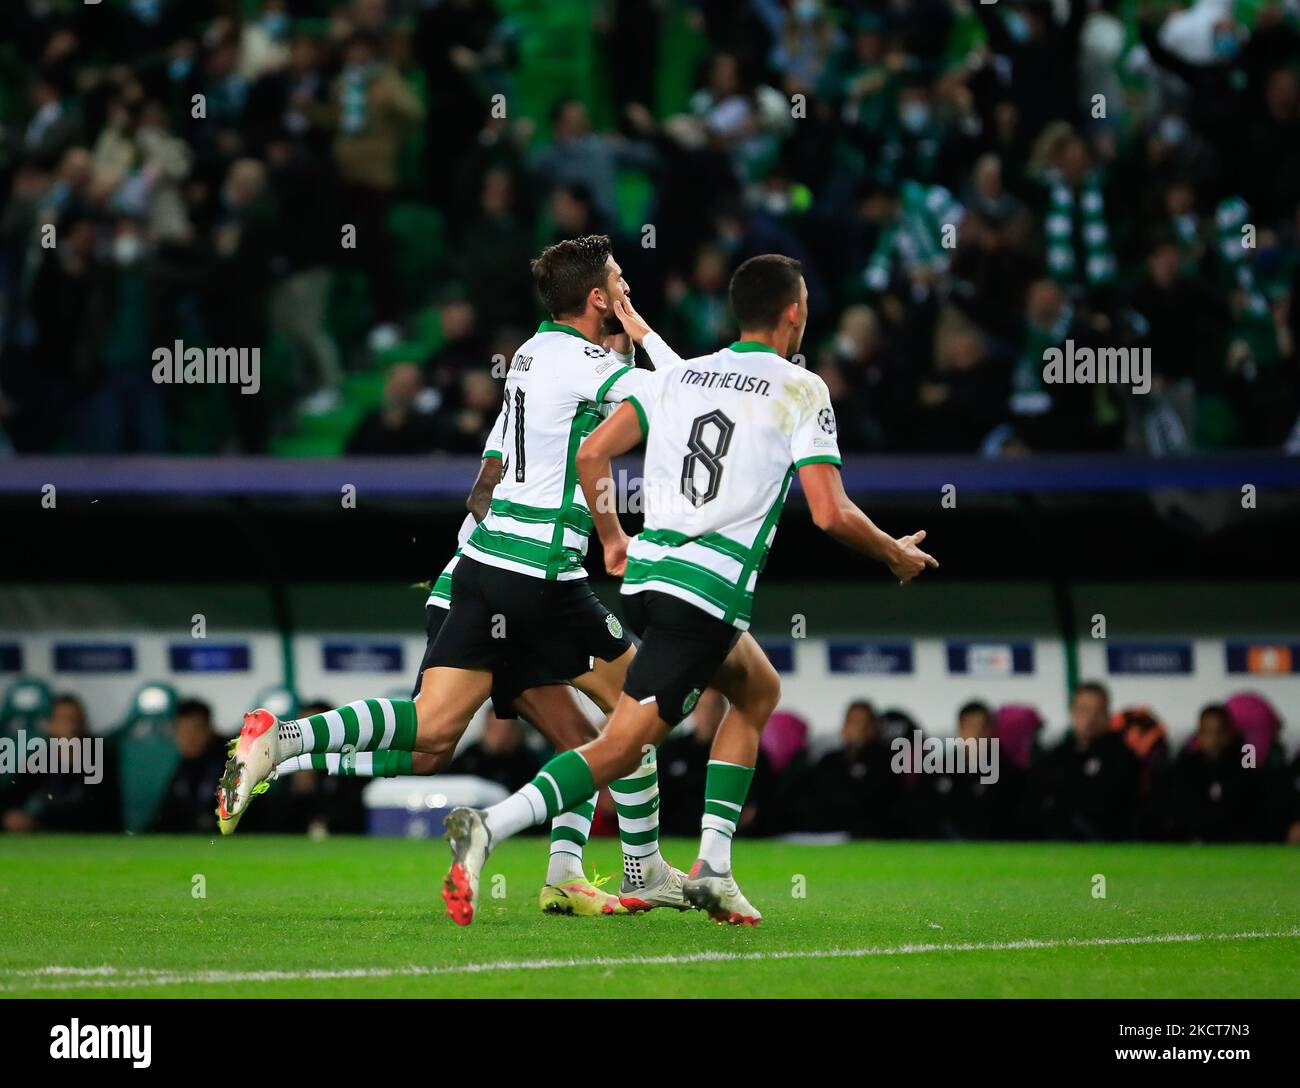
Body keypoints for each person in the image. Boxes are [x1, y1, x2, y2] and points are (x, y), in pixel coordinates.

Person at [439, 253, 937, 925]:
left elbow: (592, 452)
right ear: (794, 313)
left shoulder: (683, 375)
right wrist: (892, 553)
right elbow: (829, 511)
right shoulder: (802, 388)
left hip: (648, 574)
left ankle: (713, 869)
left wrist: (613, 538)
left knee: (757, 691)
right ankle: (490, 827)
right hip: (702, 591)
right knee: (620, 746)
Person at [220, 236, 687, 916]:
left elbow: (488, 481)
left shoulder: (531, 355)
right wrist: (640, 331)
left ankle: (283, 741)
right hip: (536, 575)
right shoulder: (582, 361)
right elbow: (676, 394)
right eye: (618, 282)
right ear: (597, 298)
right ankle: (641, 870)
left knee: (437, 733)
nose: (628, 290)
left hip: (482, 569)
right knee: (639, 711)